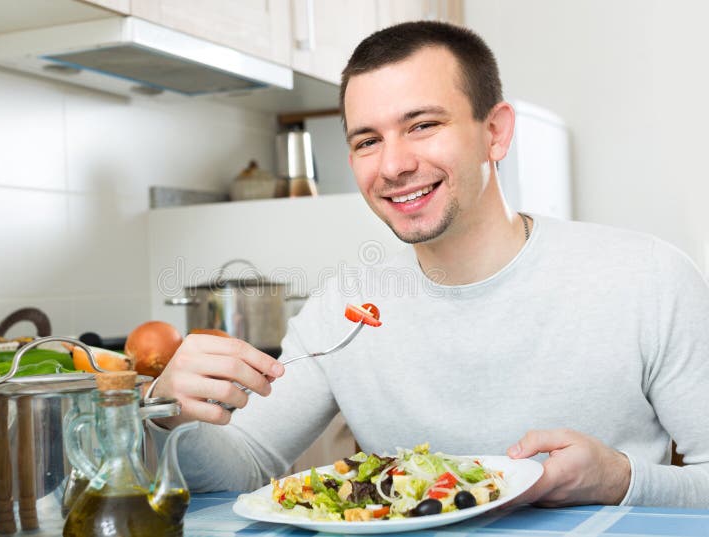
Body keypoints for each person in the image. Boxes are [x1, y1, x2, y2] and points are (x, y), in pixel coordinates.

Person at [150, 21, 709, 507]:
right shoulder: (345, 309)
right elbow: (242, 470)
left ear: (495, 132)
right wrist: (168, 410)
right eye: (368, 140)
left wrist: (620, 478)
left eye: (422, 125)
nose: (393, 164)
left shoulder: (648, 278)